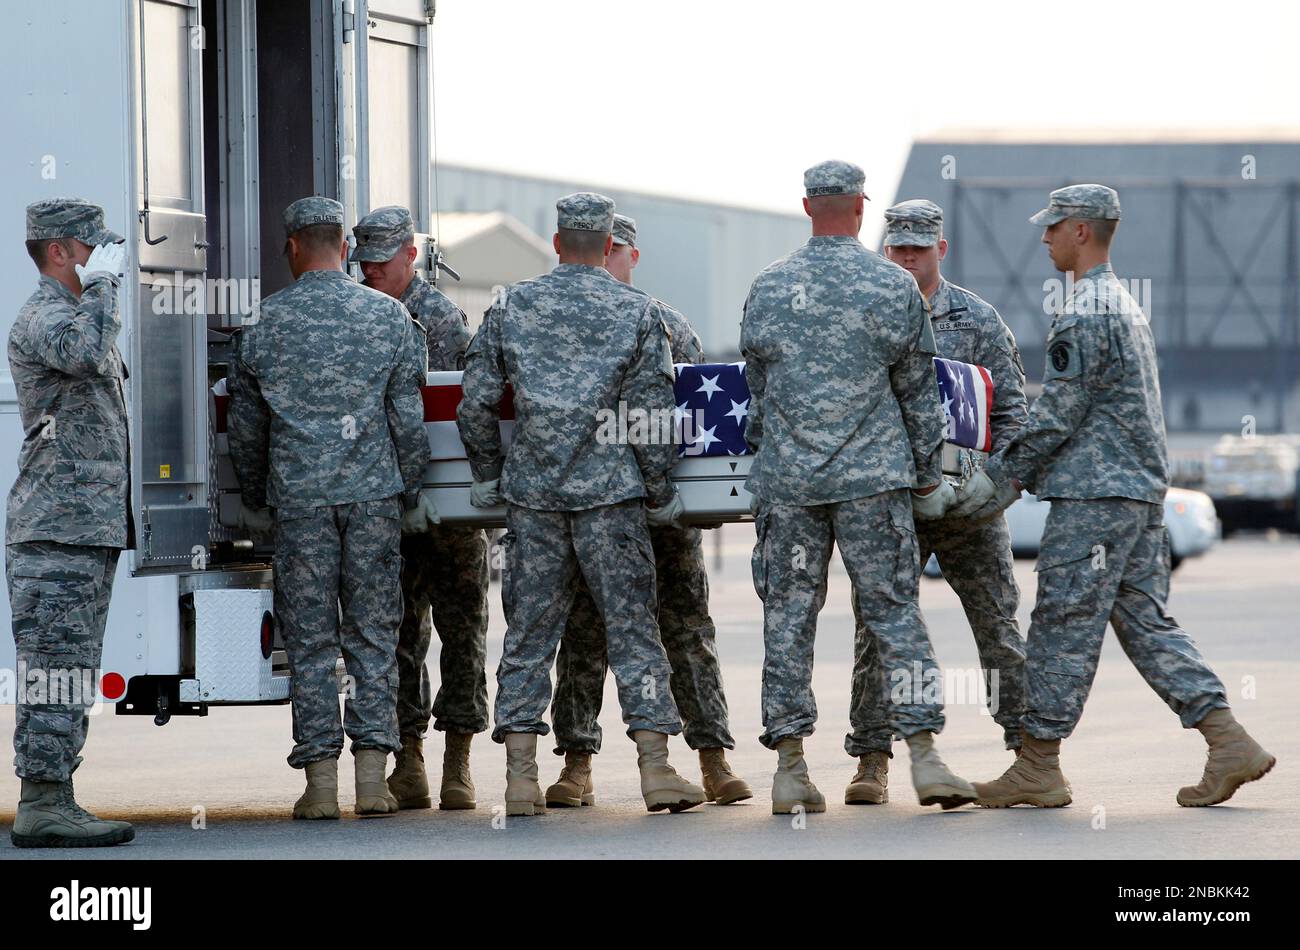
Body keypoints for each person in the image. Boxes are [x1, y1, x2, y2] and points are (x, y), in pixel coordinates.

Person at [959, 184, 1275, 807]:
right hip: (1134, 494)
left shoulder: (1087, 311)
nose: (1044, 236)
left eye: (1053, 226)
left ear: (1081, 231)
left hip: (1096, 498)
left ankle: (1038, 765)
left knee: (1061, 623)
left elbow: (1060, 413)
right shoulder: (1122, 304)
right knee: (1144, 621)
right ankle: (1228, 739)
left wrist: (1001, 478)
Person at [458, 192, 704, 815]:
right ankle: (655, 771)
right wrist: (658, 487)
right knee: (634, 634)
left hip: (533, 501)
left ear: (558, 241)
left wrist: (489, 474)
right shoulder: (638, 311)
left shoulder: (513, 304)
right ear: (606, 246)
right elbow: (651, 414)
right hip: (611, 500)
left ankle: (519, 780)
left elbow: (476, 402)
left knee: (528, 637)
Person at [741, 160, 975, 814]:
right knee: (895, 612)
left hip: (790, 482)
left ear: (809, 206)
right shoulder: (892, 285)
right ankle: (925, 756)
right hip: (874, 481)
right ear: (862, 207)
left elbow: (756, 394)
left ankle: (790, 770)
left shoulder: (769, 286)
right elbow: (918, 398)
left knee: (788, 617)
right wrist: (927, 475)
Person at [228, 196, 433, 819]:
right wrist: (411, 488)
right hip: (372, 500)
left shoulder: (262, 323)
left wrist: (260, 494)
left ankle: (320, 787)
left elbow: (246, 430)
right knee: (373, 634)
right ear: (345, 247)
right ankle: (372, 781)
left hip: (300, 503)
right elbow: (408, 420)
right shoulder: (389, 318)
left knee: (313, 644)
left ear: (293, 247)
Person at [547, 213, 751, 808]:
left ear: (629, 256)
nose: (610, 263)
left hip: (659, 514)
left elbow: (695, 415)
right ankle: (576, 765)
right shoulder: (559, 318)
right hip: (593, 508)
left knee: (686, 632)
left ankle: (713, 759)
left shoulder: (667, 323)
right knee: (584, 636)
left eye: (618, 253)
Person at [843, 199, 1030, 805]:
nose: (906, 258)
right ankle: (872, 760)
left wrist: (994, 483)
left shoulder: (977, 319)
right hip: (892, 501)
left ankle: (1029, 754)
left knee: (997, 625)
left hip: (966, 505)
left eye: (918, 249)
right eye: (896, 248)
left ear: (940, 251)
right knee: (879, 627)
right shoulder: (864, 316)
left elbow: (1013, 415)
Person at [351, 206, 489, 811]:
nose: (373, 270)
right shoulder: (360, 311)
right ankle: (409, 760)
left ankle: (458, 759)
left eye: (384, 259)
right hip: (390, 502)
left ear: (411, 254)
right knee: (401, 632)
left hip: (448, 505)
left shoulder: (441, 317)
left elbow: (462, 406)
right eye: (366, 261)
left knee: (463, 632)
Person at [7, 198, 133, 848]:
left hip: (81, 527)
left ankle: (58, 794)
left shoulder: (74, 314)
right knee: (54, 667)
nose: (101, 258)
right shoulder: (47, 318)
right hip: (56, 526)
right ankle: (43, 802)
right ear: (60, 251)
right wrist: (104, 285)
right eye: (91, 248)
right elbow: (87, 354)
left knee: (73, 669)